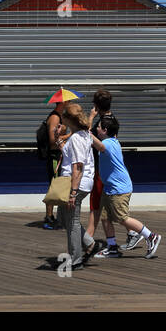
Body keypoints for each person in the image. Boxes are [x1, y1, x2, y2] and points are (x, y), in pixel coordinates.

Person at [87, 112, 162, 258]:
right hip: (109, 188)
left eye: (100, 127)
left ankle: (151, 236)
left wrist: (87, 133)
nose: (97, 128)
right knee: (105, 217)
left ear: (105, 131)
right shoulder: (112, 140)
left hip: (118, 189)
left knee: (122, 218)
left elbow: (100, 146)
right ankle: (112, 247)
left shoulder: (108, 143)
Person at [56, 103, 96, 269]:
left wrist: (73, 193)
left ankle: (76, 259)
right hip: (74, 182)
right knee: (64, 219)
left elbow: (77, 166)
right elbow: (69, 154)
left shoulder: (77, 138)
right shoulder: (83, 135)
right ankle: (90, 242)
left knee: (72, 222)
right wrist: (59, 140)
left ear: (68, 119)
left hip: (77, 184)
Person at [82, 88, 112, 256]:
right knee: (108, 208)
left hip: (100, 170)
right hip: (105, 169)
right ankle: (134, 232)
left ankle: (88, 242)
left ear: (96, 105)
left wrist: (91, 117)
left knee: (96, 207)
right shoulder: (110, 120)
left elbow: (87, 134)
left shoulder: (103, 123)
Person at [40, 99, 67, 229]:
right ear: (62, 103)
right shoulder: (55, 117)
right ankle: (49, 217)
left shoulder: (60, 117)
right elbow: (52, 140)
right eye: (68, 101)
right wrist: (70, 135)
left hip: (59, 155)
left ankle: (55, 216)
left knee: (58, 185)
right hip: (54, 157)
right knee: (54, 185)